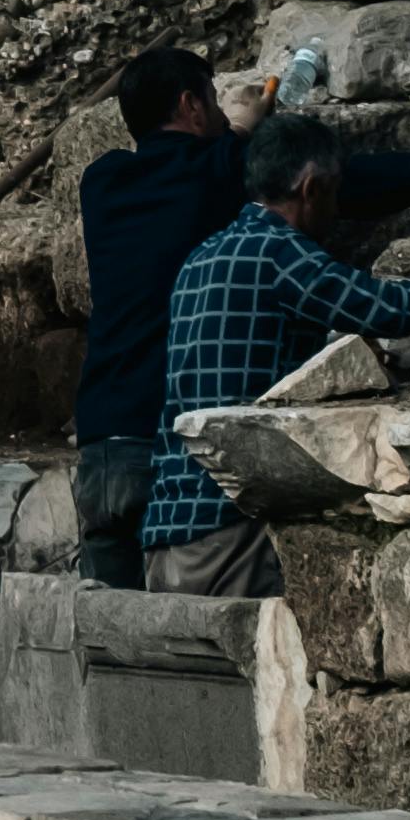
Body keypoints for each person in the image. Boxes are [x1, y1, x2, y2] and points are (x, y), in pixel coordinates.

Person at [133, 108, 410, 599]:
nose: (337, 206)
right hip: (227, 528)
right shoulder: (278, 251)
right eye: (336, 190)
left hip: (168, 525)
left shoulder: (203, 257)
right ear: (312, 186)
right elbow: (380, 305)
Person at [68, 47, 245, 580]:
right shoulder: (217, 170)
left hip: (100, 440)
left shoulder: (102, 182)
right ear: (191, 104)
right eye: (213, 101)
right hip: (163, 443)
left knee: (106, 633)